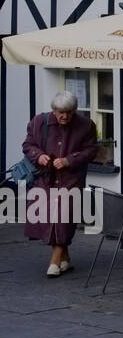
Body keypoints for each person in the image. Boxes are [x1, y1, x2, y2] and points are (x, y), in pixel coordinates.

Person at [23, 91, 98, 277]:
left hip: (70, 179)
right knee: (49, 218)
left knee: (64, 217)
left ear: (75, 110)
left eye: (69, 112)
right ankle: (65, 258)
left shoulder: (86, 125)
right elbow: (27, 145)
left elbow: (91, 151)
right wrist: (39, 156)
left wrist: (69, 160)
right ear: (53, 110)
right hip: (45, 178)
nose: (64, 116)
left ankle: (54, 262)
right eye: (60, 112)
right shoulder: (39, 122)